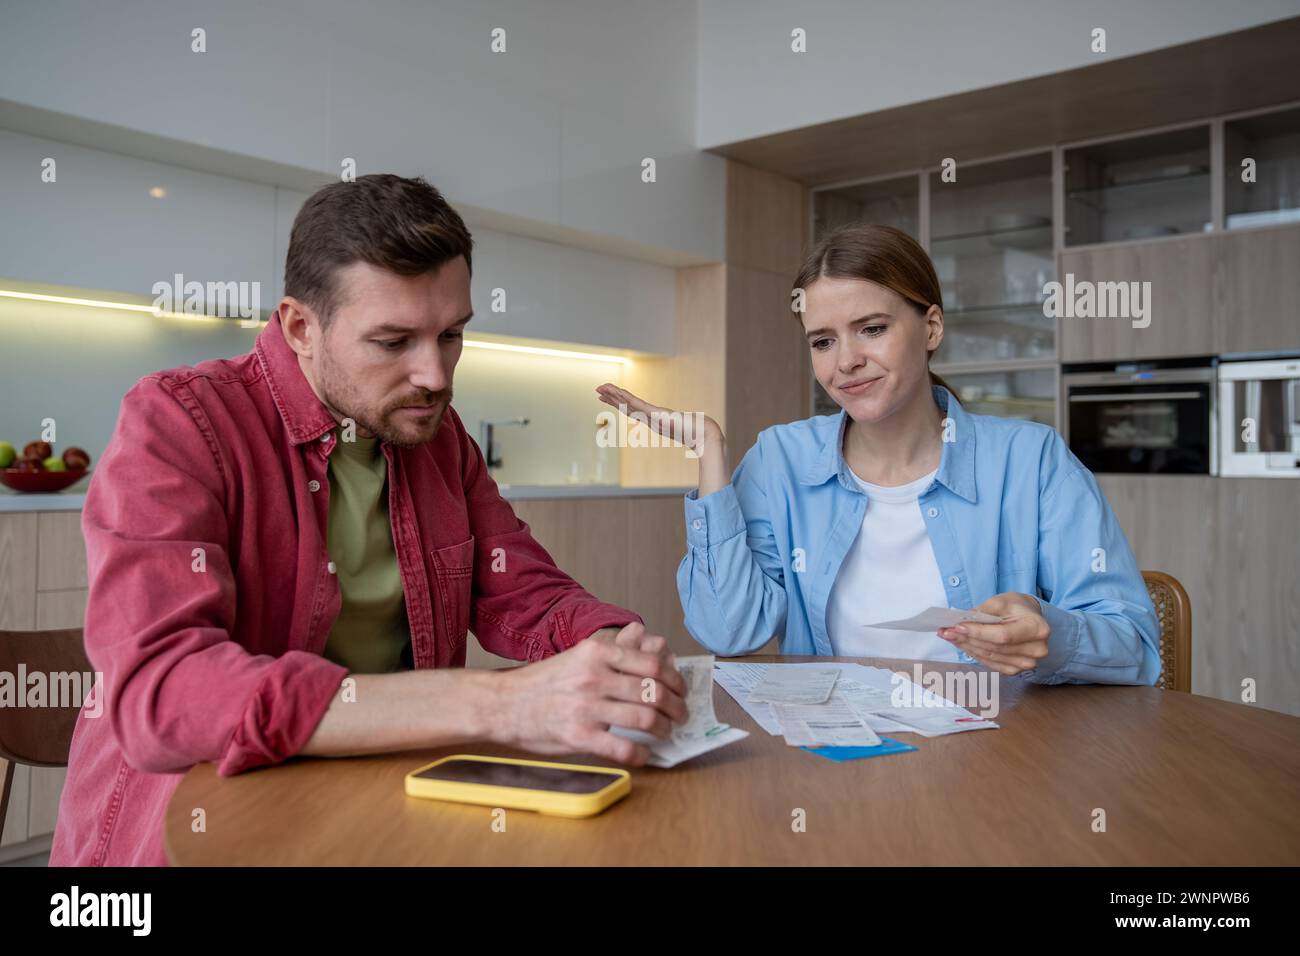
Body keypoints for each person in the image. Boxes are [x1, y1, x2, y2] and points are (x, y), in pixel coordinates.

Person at [51, 174, 686, 867]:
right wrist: (498, 705)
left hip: (383, 807)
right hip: (193, 831)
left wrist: (613, 647)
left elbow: (524, 589)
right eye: (394, 342)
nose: (436, 375)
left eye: (451, 335)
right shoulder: (179, 422)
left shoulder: (440, 440)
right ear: (301, 327)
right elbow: (165, 695)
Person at [597, 223, 1161, 685]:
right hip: (832, 758)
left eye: (871, 328)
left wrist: (1050, 633)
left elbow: (1134, 645)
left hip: (1002, 760)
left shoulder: (1031, 461)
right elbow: (728, 631)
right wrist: (710, 456)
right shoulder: (779, 459)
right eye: (823, 341)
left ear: (931, 326)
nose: (845, 361)